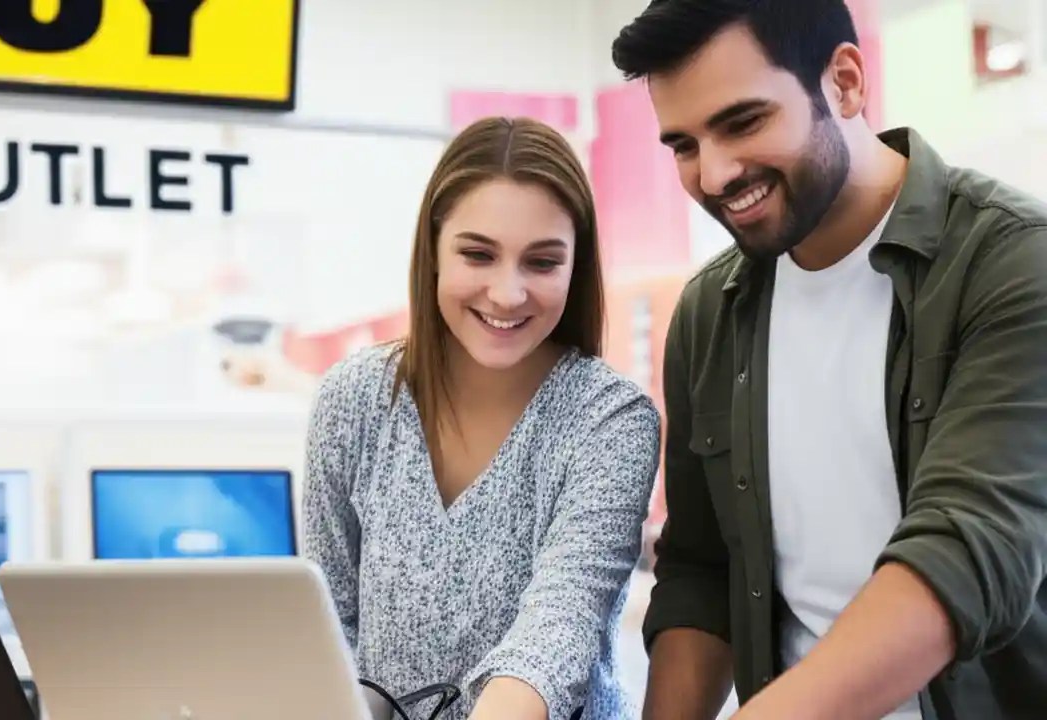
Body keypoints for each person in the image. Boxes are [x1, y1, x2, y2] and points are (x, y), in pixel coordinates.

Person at [610, 1, 1047, 719]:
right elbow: (702, 571)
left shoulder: (1012, 262)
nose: (715, 174)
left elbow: (967, 551)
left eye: (743, 122)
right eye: (683, 145)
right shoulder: (708, 314)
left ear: (845, 82)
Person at [302, 116, 660, 720]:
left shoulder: (610, 420)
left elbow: (557, 630)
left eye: (542, 263)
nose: (506, 293)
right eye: (478, 254)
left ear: (576, 267)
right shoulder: (353, 400)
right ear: (434, 250)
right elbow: (327, 633)